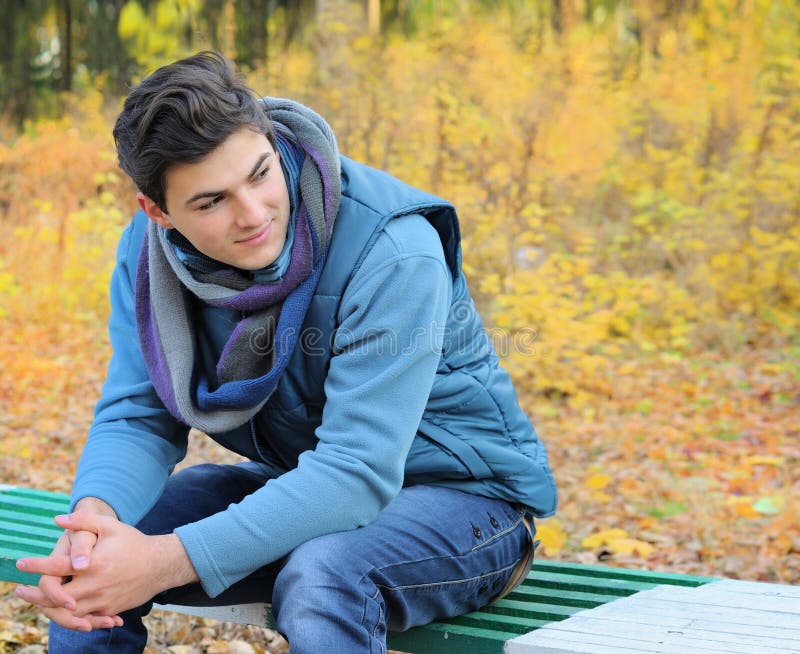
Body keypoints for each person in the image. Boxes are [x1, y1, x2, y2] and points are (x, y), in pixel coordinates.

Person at [15, 51, 557, 653]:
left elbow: (354, 471)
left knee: (324, 577)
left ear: (273, 142)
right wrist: (93, 522)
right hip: (309, 483)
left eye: (260, 173)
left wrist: (163, 561)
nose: (254, 215)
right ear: (157, 213)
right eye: (210, 202)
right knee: (95, 553)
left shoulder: (393, 249)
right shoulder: (149, 263)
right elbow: (138, 415)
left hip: (467, 506)